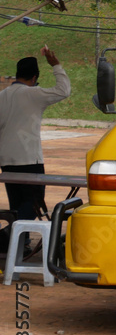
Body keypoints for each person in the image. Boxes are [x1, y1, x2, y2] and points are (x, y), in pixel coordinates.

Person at [0, 48, 72, 222]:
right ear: (34, 78)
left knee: (16, 204)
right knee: (34, 202)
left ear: (17, 75)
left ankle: (18, 242)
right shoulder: (34, 94)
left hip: (6, 161)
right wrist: (55, 64)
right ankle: (12, 235)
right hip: (29, 161)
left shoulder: (1, 96)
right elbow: (63, 90)